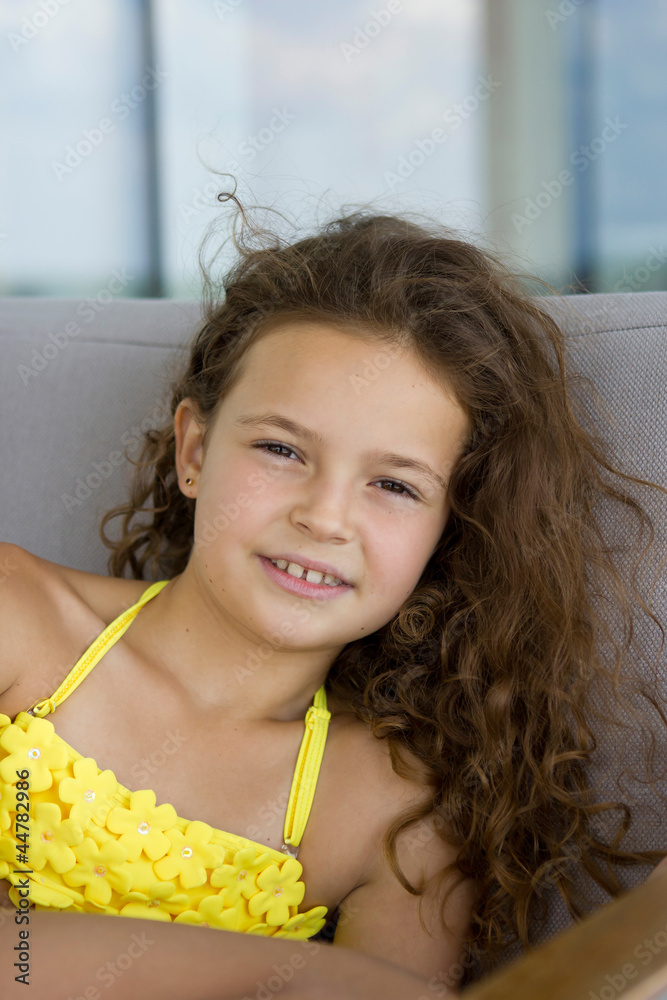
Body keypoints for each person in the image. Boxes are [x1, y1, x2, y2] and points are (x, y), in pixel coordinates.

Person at [1, 194, 666, 1000]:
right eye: (281, 449)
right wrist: (310, 977)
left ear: (445, 534)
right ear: (194, 451)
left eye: (392, 484)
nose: (323, 518)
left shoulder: (396, 813)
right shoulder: (18, 618)